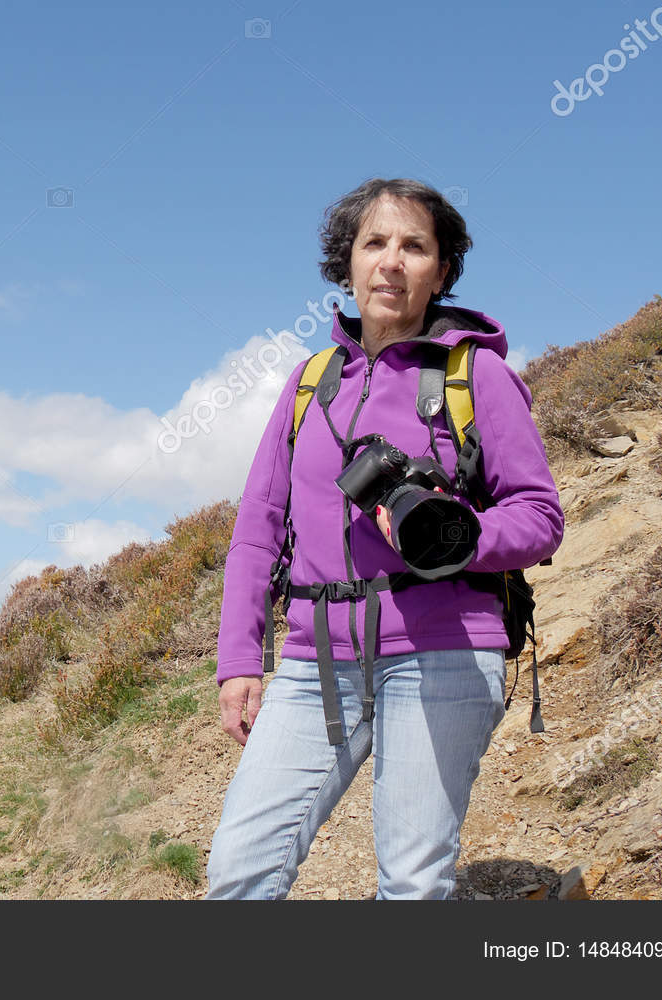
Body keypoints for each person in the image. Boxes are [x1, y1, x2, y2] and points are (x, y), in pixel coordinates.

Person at [204, 178, 564, 900]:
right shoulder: (310, 383)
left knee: (411, 883)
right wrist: (241, 658)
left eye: (414, 247)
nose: (391, 262)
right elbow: (257, 530)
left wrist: (457, 538)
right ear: (347, 264)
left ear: (442, 270)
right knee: (239, 873)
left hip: (444, 654)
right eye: (374, 244)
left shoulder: (475, 375)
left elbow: (539, 515)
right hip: (314, 664)